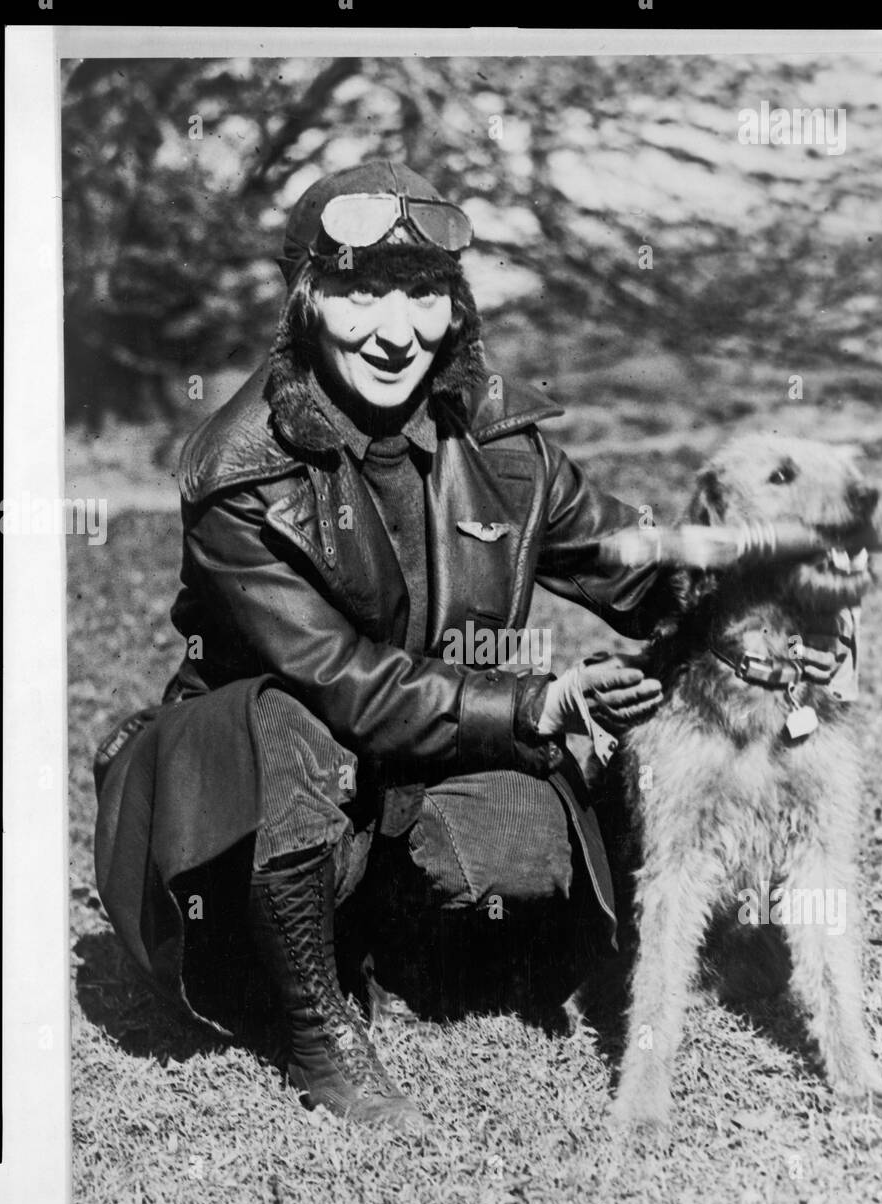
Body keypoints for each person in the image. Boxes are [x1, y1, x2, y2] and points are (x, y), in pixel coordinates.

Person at [93, 159, 687, 1134]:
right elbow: (340, 677)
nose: (395, 329)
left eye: (422, 293)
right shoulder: (238, 473)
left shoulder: (503, 445)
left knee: (520, 854)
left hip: (414, 755)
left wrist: (751, 558)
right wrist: (533, 704)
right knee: (296, 722)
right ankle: (318, 1023)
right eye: (361, 289)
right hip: (261, 770)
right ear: (306, 297)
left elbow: (638, 570)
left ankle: (365, 924)